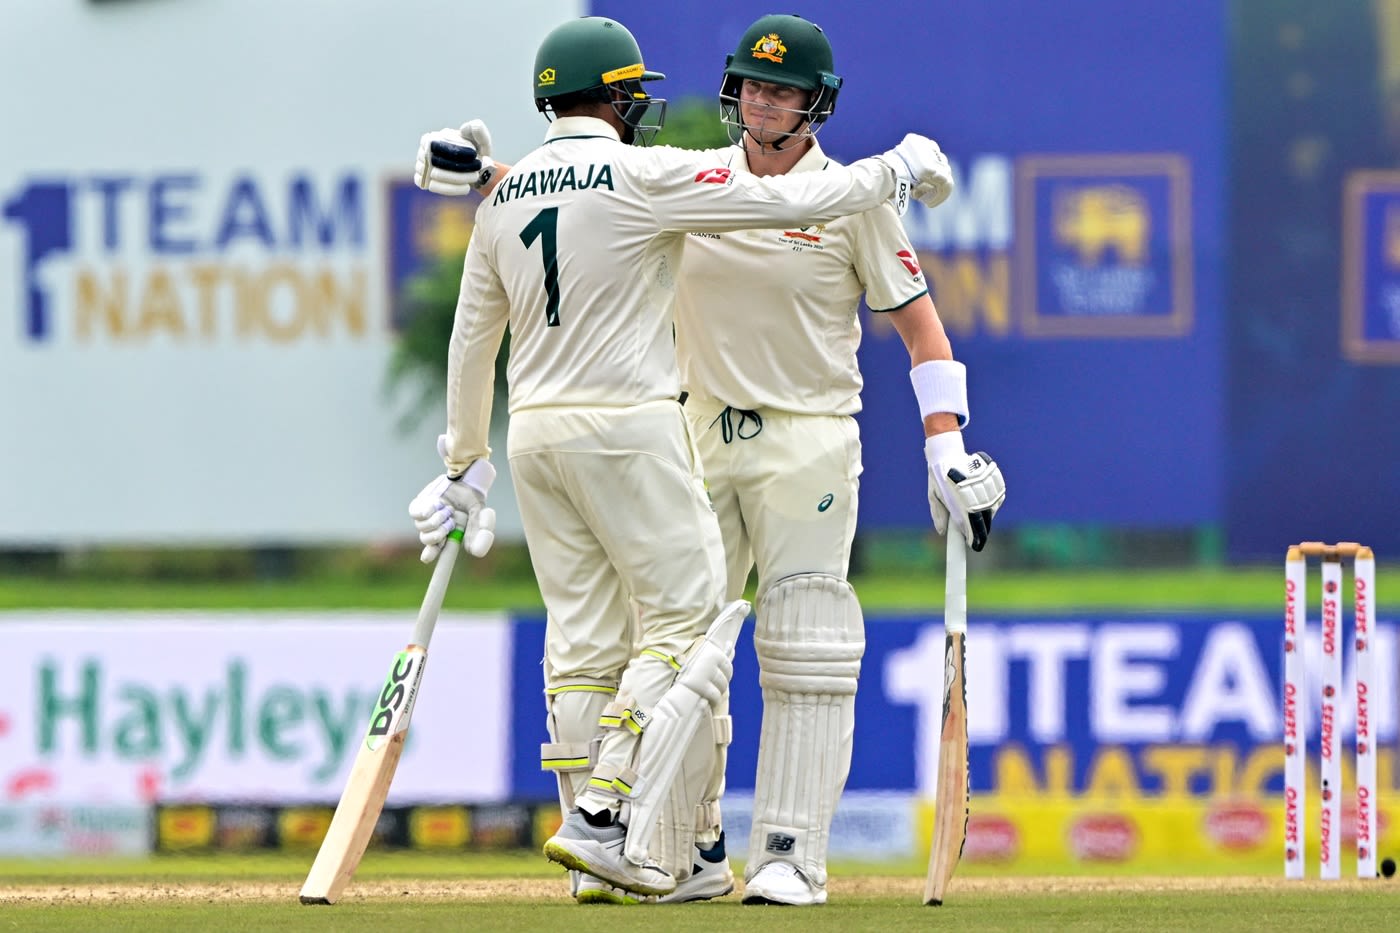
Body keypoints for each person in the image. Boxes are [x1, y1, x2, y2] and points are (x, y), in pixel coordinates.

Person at [404, 14, 961, 900]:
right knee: (681, 628)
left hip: (794, 434)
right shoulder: (669, 177)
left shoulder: (541, 198)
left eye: (782, 89)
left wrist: (465, 457)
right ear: (623, 99)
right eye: (753, 85)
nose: (762, 102)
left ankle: (783, 851)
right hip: (674, 428)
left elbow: (501, 303)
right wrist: (896, 166)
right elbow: (640, 195)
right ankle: (647, 836)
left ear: (815, 101)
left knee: (796, 640)